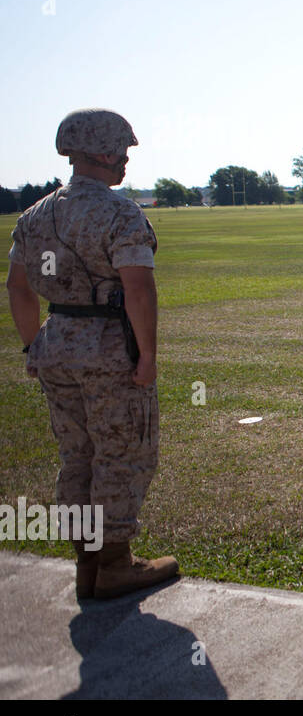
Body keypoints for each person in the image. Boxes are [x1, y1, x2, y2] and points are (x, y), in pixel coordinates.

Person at [6, 109, 178, 600]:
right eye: (122, 151)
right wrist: (147, 354)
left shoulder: (35, 216)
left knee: (76, 455)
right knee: (121, 453)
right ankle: (116, 564)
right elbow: (139, 289)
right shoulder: (119, 212)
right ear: (105, 153)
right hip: (107, 346)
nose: (125, 160)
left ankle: (87, 563)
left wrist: (33, 344)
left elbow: (18, 288)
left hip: (56, 340)